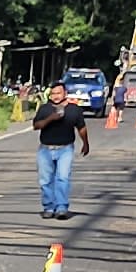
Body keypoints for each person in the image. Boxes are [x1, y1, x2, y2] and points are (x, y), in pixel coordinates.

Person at [31, 85, 92, 220]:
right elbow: (36, 126)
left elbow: (81, 127)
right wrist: (50, 119)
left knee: (62, 178)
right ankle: (49, 207)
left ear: (65, 93)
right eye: (53, 94)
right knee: (45, 180)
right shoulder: (45, 109)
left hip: (65, 149)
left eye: (58, 93)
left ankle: (62, 208)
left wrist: (85, 143)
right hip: (45, 149)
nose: (55, 96)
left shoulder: (74, 110)